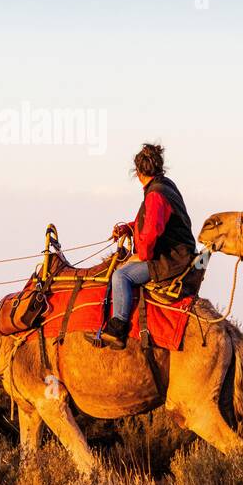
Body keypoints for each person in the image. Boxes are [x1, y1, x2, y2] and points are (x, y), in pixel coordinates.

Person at [88, 143, 197, 350]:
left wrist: (141, 255)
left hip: (170, 259)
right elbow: (152, 223)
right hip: (179, 253)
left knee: (121, 276)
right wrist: (128, 229)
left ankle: (118, 327)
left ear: (138, 173)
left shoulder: (155, 195)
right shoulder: (165, 186)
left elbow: (150, 234)